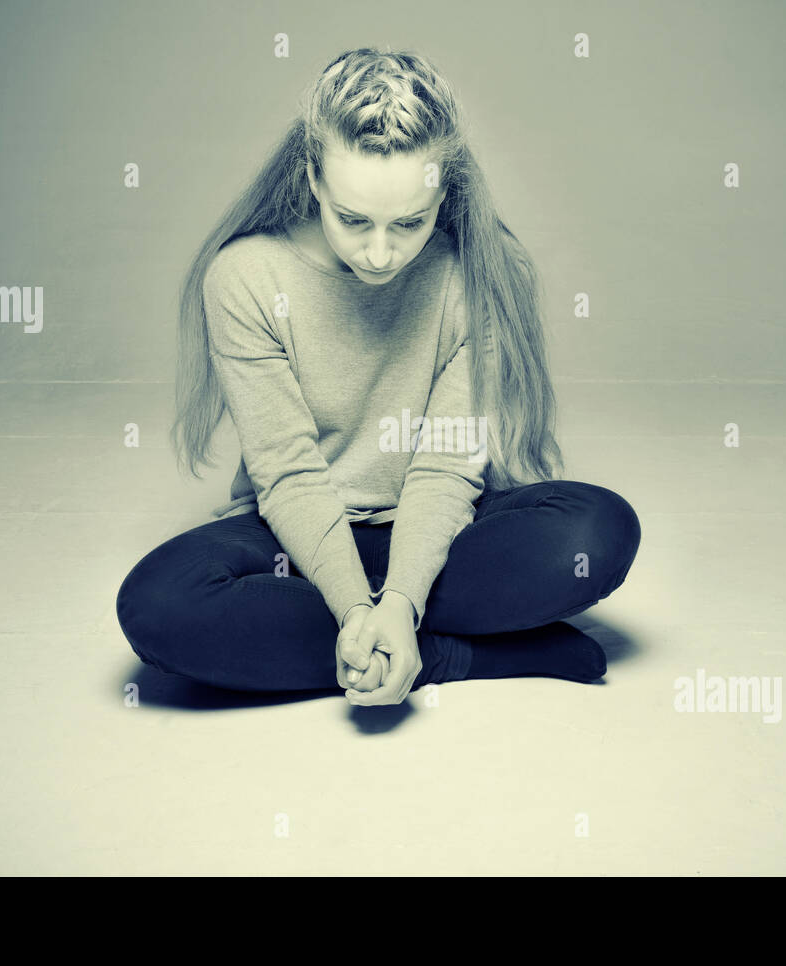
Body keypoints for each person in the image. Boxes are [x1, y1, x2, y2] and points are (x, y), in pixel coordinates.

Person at [116, 47, 640, 707]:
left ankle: (391, 632)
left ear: (442, 192)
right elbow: (287, 474)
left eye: (410, 223)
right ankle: (449, 653)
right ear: (313, 179)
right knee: (159, 605)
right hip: (294, 541)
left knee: (598, 529)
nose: (381, 252)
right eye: (354, 219)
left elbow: (446, 469)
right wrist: (357, 605)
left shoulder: (471, 275)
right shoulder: (245, 278)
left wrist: (400, 598)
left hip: (435, 534)